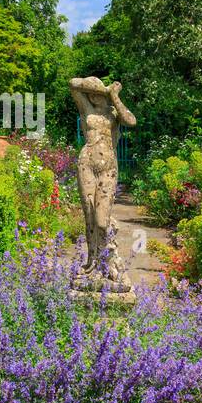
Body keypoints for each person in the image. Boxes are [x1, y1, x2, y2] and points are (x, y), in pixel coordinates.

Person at [69, 76, 137, 287]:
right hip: (86, 164)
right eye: (91, 93)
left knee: (101, 220)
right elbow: (73, 84)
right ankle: (92, 263)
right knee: (89, 215)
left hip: (107, 167)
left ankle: (107, 262)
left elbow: (131, 121)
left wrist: (113, 95)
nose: (92, 96)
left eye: (96, 94)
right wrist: (101, 87)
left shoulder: (114, 112)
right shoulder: (86, 109)